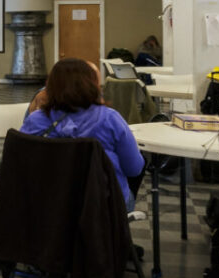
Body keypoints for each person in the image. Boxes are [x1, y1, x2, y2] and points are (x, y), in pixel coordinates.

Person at [20, 58, 144, 205]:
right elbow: (134, 169)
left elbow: (22, 164)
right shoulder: (110, 119)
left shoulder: (35, 120)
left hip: (48, 204)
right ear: (92, 84)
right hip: (102, 206)